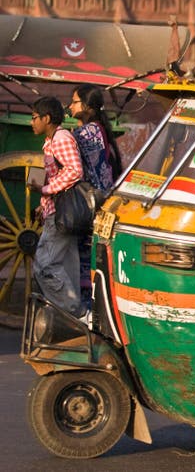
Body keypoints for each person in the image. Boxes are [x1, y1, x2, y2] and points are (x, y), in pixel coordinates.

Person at [28, 96, 86, 318]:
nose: (32, 122)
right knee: (65, 266)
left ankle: (75, 312)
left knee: (44, 266)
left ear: (47, 118)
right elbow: (58, 175)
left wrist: (45, 190)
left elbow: (74, 171)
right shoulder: (51, 141)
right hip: (56, 210)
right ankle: (72, 317)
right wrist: (43, 203)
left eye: (34, 117)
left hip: (61, 214)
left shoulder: (61, 139)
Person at [68, 84, 124, 311]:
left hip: (91, 203)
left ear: (88, 107)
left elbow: (66, 148)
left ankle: (86, 310)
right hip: (99, 200)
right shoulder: (96, 129)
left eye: (74, 102)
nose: (70, 106)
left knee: (84, 257)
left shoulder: (88, 132)